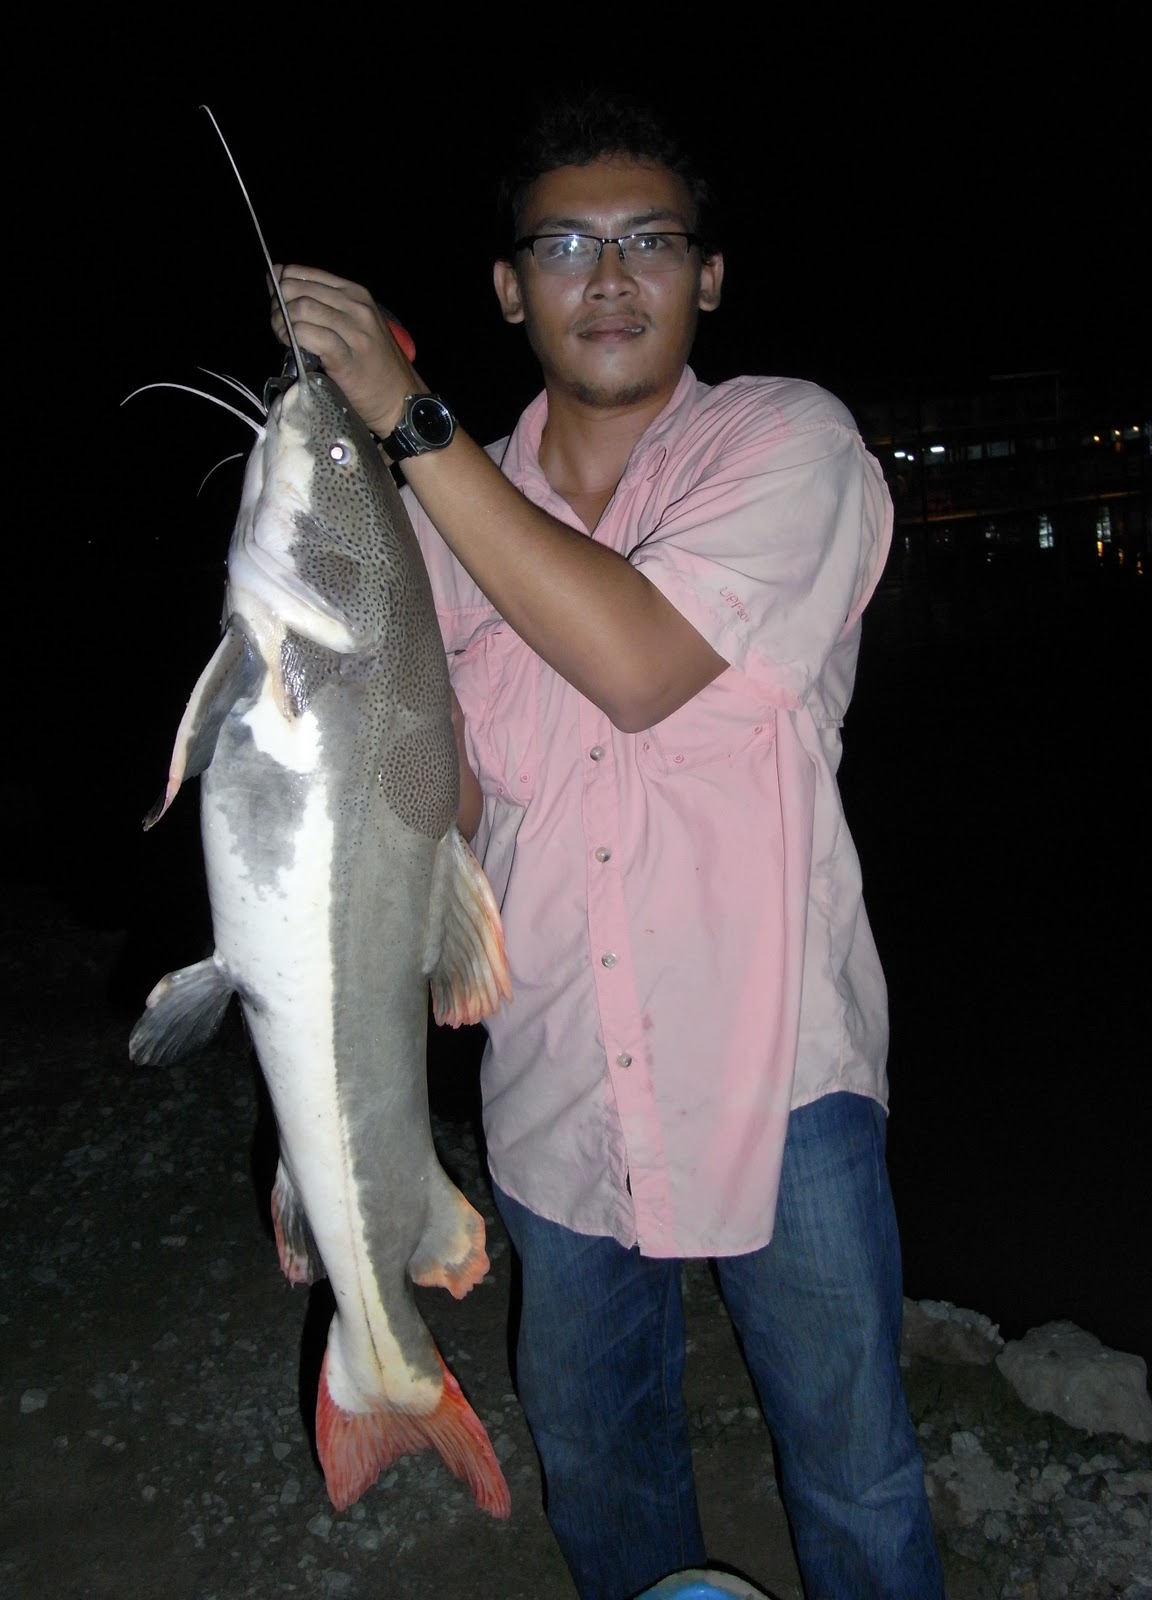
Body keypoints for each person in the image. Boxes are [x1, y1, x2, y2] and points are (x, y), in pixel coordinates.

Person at [271, 94, 945, 1600]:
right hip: (557, 1077)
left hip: (785, 1075)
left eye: (652, 241)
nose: (614, 276)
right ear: (510, 288)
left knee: (853, 1469)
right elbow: (437, 811)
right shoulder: (431, 525)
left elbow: (637, 664)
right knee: (603, 1463)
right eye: (568, 245)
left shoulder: (789, 443)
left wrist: (414, 424)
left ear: (710, 278)